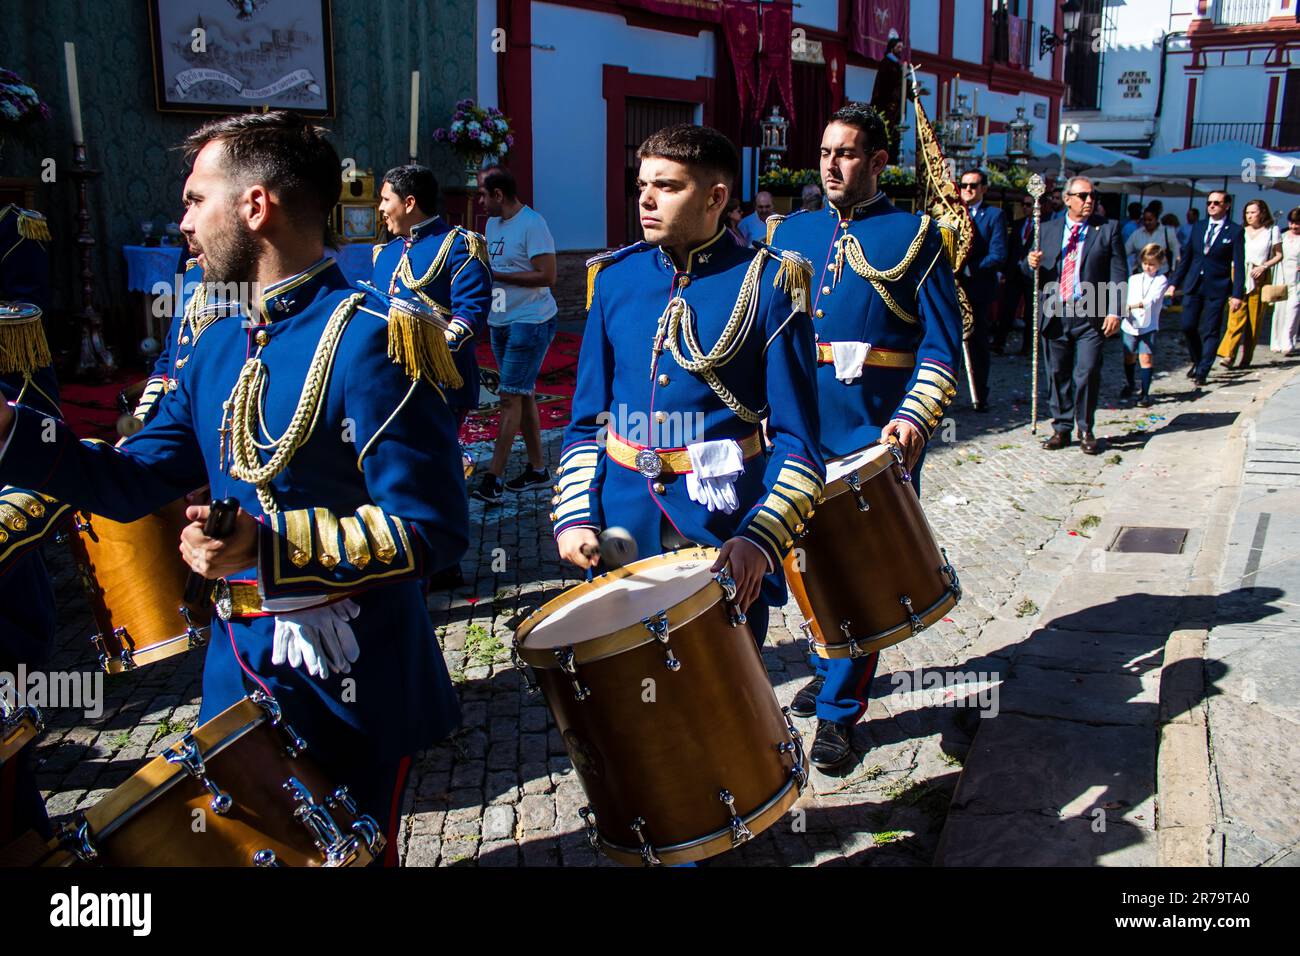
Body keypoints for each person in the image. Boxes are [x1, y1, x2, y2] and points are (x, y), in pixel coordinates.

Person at [0, 111, 470, 863]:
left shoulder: (376, 337)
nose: (182, 221)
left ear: (256, 207)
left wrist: (266, 546)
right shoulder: (218, 338)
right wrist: (11, 431)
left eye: (194, 200)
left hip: (351, 675)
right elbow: (132, 482)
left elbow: (432, 528)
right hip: (237, 672)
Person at [554, 122, 823, 663]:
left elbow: (798, 443)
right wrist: (576, 515)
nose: (647, 200)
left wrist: (759, 539)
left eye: (668, 186)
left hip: (720, 531)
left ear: (716, 198)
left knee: (724, 706)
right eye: (642, 186)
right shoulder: (615, 279)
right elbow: (588, 419)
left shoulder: (769, 283)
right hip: (619, 527)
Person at [766, 104, 963, 770]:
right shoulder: (789, 232)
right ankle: (831, 670)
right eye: (825, 151)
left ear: (879, 162)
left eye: (847, 153)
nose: (832, 164)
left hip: (874, 438)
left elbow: (941, 347)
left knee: (858, 575)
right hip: (796, 430)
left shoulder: (913, 235)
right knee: (801, 567)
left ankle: (840, 714)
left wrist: (912, 417)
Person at [373, 164, 492, 432]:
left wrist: (425, 358)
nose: (380, 208)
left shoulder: (459, 245)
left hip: (438, 383)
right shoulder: (385, 253)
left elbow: (470, 314)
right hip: (387, 381)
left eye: (385, 199)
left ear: (409, 203)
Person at [473, 165, 559, 503]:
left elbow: (548, 276)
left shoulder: (533, 224)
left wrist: (497, 276)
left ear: (498, 194)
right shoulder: (492, 224)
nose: (478, 201)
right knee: (522, 394)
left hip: (531, 320)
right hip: (501, 320)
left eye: (482, 193)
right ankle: (538, 469)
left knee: (509, 397)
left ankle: (493, 478)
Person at [1026, 175, 1127, 455]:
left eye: (1092, 196)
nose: (1089, 201)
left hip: (1090, 311)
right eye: (1083, 196)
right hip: (1055, 310)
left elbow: (1118, 272)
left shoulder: (1108, 229)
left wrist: (1115, 310)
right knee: (1057, 372)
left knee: (1087, 371)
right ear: (1067, 198)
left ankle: (1085, 427)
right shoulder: (1046, 229)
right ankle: (1061, 427)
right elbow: (1030, 270)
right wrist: (1030, 263)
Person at [1166, 190, 1245, 387]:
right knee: (1187, 325)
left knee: (1211, 330)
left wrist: (1237, 294)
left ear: (1227, 205)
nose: (1211, 206)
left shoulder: (1234, 231)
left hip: (1217, 286)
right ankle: (1198, 358)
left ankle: (1203, 370)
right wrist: (1175, 283)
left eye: (1217, 203)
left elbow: (1239, 264)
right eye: (1209, 202)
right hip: (1194, 284)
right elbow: (1187, 258)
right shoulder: (1199, 227)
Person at [955, 168, 1006, 412]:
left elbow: (997, 254)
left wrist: (968, 269)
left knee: (977, 343)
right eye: (964, 185)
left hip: (977, 288)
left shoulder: (993, 216)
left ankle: (980, 392)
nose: (967, 190)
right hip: (952, 288)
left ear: (983, 188)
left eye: (973, 186)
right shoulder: (952, 213)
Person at [1217, 198, 1281, 370]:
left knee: (1254, 319)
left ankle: (1246, 357)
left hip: (1259, 275)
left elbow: (1278, 254)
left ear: (1262, 213)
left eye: (1253, 212)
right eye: (1247, 212)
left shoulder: (1272, 230)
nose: (1250, 215)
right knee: (1235, 314)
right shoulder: (1240, 231)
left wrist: (1264, 266)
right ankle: (1229, 354)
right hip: (1238, 273)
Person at [1122, 244, 1169, 408]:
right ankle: (1130, 384)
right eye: (1146, 263)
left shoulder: (1161, 280)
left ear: (1159, 264)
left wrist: (1131, 306)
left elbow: (1151, 301)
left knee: (1146, 357)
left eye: (1152, 264)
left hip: (1148, 324)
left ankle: (1145, 392)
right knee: (1129, 355)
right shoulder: (1134, 279)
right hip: (1130, 323)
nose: (1148, 267)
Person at [995, 194, 1036, 356]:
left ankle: (1028, 346)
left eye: (1029, 204)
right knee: (1007, 308)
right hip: (1014, 272)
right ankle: (999, 341)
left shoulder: (1043, 225)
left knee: (1029, 313)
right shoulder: (1018, 224)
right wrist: (1004, 270)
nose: (1025, 207)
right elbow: (1010, 248)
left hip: (1031, 274)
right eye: (1023, 204)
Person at [1272, 206, 1300, 354]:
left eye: (1297, 223)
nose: (1294, 226)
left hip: (1297, 280)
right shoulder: (1282, 236)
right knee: (1280, 310)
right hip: (1282, 276)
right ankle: (1276, 342)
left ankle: (1288, 341)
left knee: (1293, 309)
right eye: (1292, 222)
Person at [1124, 205, 1179, 275]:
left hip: (1162, 273)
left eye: (1150, 220)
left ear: (1156, 219)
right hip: (1141, 273)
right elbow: (1125, 251)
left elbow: (1176, 253)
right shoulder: (1137, 234)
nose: (1147, 222)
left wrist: (1174, 271)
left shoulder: (1168, 232)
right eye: (1145, 220)